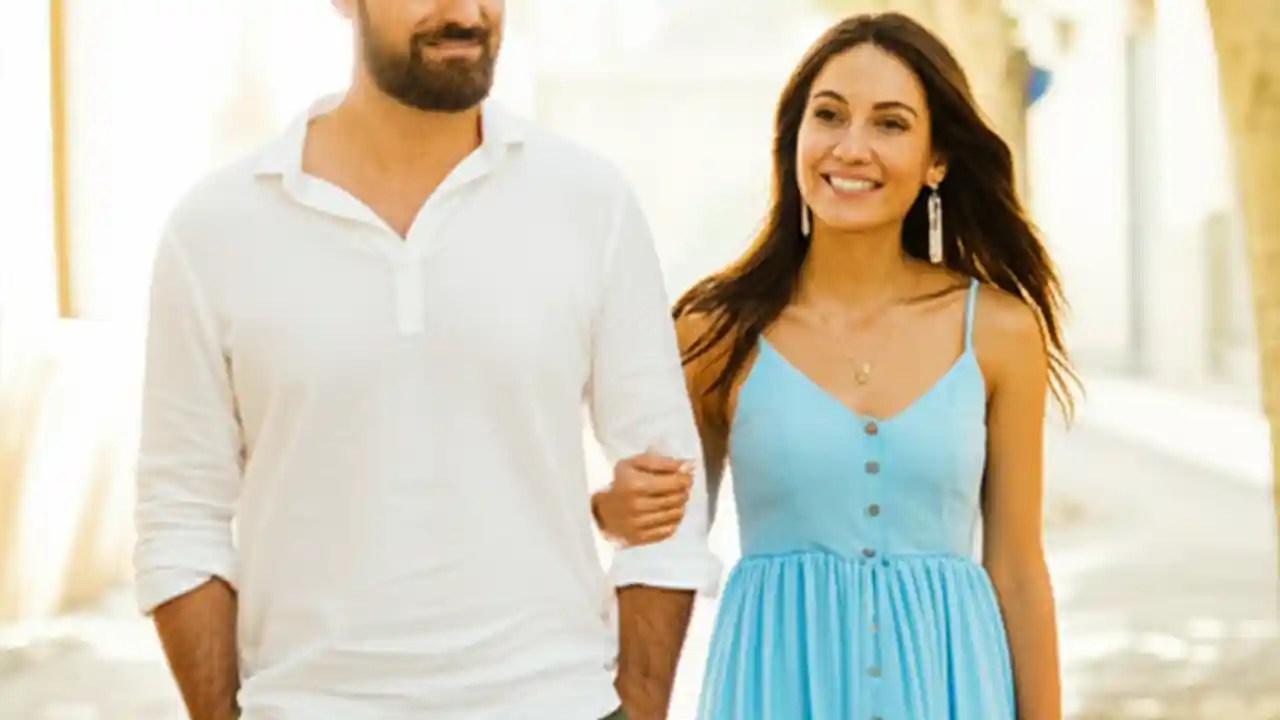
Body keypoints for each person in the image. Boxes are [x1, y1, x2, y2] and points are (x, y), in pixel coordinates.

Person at [133, 1, 720, 718]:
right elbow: (180, 517)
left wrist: (641, 704)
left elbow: (669, 487)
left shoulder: (588, 203)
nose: (465, 12)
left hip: (553, 699)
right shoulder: (217, 230)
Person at [592, 12, 1073, 720]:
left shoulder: (999, 331)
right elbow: (663, 544)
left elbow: (1019, 571)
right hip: (775, 692)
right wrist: (604, 510)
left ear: (937, 159)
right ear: (794, 140)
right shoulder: (717, 331)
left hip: (954, 692)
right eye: (830, 115)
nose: (852, 148)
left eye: (890, 123)